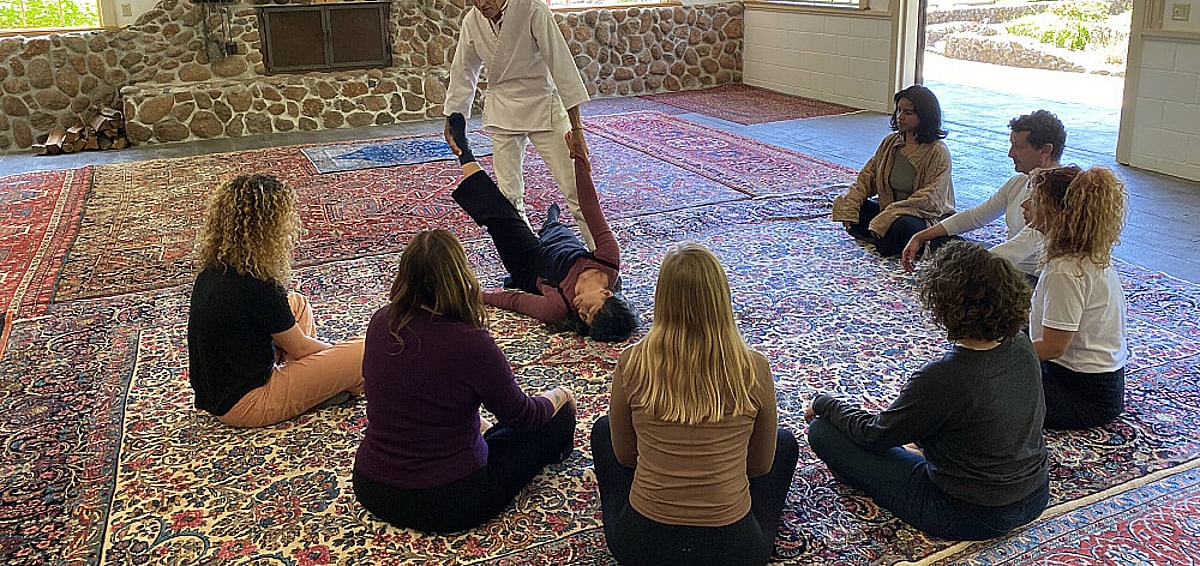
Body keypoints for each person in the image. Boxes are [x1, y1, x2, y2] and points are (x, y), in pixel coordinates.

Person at [806, 241, 1049, 541]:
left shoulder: (944, 376)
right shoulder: (1022, 345)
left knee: (822, 432)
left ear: (943, 304)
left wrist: (824, 404)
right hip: (1036, 494)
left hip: (969, 514)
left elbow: (874, 434)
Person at [353, 229, 577, 533]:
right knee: (558, 418)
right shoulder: (471, 343)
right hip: (449, 499)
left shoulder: (381, 321)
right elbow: (524, 416)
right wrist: (561, 394)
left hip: (372, 485)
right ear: (461, 278)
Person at [591, 242, 799, 566]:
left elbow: (625, 457)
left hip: (641, 547)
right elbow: (759, 467)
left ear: (662, 300)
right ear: (722, 299)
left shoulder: (631, 363)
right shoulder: (754, 367)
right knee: (784, 445)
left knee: (604, 430)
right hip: (734, 551)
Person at [443, 0, 596, 249]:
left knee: (575, 188)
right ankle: (526, 257)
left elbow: (562, 68)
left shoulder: (532, 10)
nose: (481, 3)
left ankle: (600, 254)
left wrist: (577, 130)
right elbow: (463, 72)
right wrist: (453, 117)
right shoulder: (472, 22)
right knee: (509, 196)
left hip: (544, 105)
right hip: (502, 110)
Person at [187, 173, 365, 428]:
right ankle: (327, 385)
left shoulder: (214, 270)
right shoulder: (257, 285)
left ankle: (319, 386)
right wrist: (339, 359)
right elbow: (302, 348)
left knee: (296, 303)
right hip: (246, 404)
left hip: (218, 393)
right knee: (363, 351)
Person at [445, 112, 636, 343]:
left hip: (528, 264)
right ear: (606, 294)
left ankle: (464, 151)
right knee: (559, 232)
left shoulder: (558, 308)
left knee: (500, 213)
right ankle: (551, 223)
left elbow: (514, 301)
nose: (581, 312)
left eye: (584, 319)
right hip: (564, 250)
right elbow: (590, 208)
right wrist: (579, 159)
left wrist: (472, 294)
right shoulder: (608, 259)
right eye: (590, 311)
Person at [1022, 165, 1129, 429]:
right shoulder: (1085, 258)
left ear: (1057, 212)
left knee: (982, 388)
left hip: (1082, 396)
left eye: (1035, 201)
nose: (1025, 205)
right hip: (1094, 385)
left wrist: (1001, 356)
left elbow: (1053, 346)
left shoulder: (1066, 270)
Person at [902, 109, 1066, 277]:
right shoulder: (1018, 183)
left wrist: (968, 268)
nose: (1010, 153)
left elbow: (1019, 246)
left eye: (1018, 147)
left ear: (1046, 150)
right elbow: (975, 217)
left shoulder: (1057, 195)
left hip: (1031, 280)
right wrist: (920, 236)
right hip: (1006, 266)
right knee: (941, 241)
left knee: (965, 268)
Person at [832, 85, 955, 257]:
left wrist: (890, 215)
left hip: (920, 216)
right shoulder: (890, 143)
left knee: (901, 228)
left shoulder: (937, 151)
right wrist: (851, 205)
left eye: (908, 113)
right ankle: (883, 235)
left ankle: (918, 240)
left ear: (924, 116)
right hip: (888, 211)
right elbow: (867, 178)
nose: (900, 117)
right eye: (899, 110)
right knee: (848, 205)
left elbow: (929, 200)